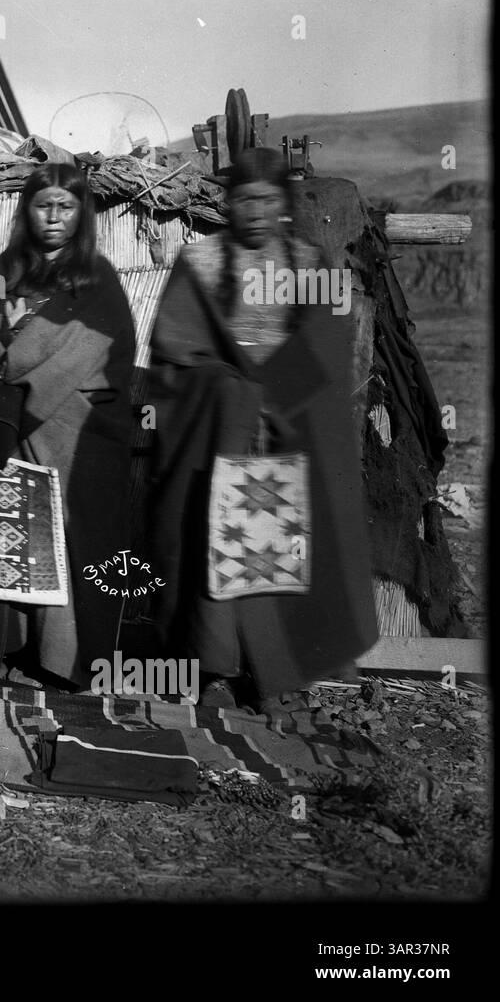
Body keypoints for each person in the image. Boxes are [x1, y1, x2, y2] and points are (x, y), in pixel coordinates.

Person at [147, 147, 378, 710]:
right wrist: (231, 393)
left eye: (267, 200)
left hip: (285, 434)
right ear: (228, 204)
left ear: (283, 205)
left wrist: (275, 395)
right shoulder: (200, 263)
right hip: (218, 435)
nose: (255, 211)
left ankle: (274, 671)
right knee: (215, 546)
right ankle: (214, 669)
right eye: (245, 200)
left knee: (277, 549)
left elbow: (326, 345)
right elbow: (175, 352)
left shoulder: (308, 264)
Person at [0, 162, 136, 687]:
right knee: (8, 533)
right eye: (43, 205)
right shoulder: (2, 274)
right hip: (4, 427)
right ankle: (8, 650)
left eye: (66, 207)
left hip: (71, 430)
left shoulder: (97, 280)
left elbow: (88, 353)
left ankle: (61, 661)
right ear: (26, 210)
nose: (54, 217)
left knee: (69, 538)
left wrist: (15, 379)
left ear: (82, 214)